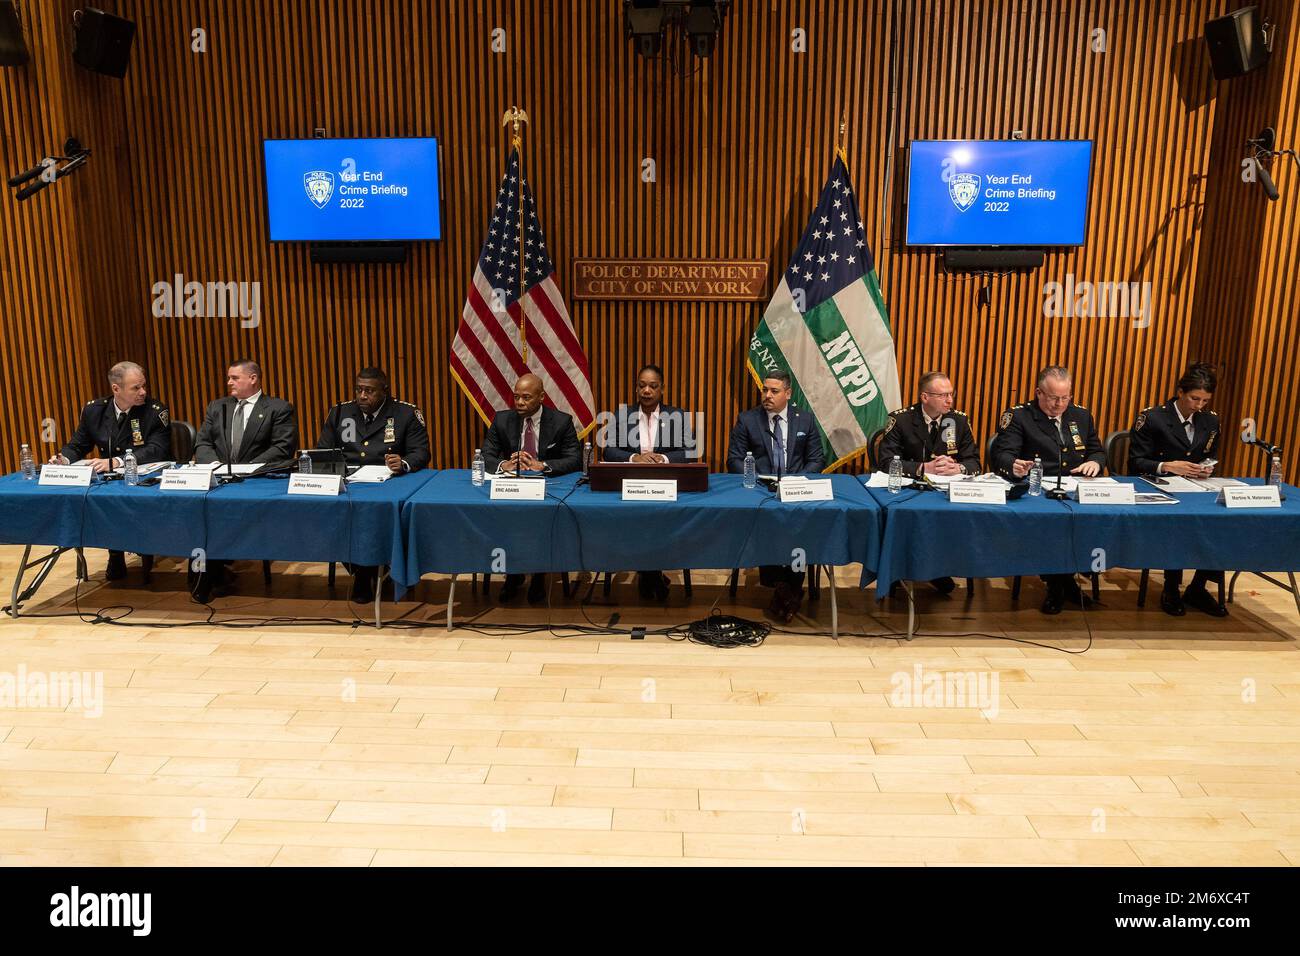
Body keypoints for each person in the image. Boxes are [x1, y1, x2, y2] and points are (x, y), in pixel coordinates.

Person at [990, 365, 1105, 615]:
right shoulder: (1019, 416)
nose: (1059, 404)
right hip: (1036, 491)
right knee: (1052, 523)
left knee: (1100, 519)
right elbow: (1001, 455)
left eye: (1065, 398)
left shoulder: (1081, 416)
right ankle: (1058, 585)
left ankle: (1067, 579)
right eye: (1054, 398)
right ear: (1039, 393)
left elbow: (1097, 449)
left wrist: (1095, 462)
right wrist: (1014, 465)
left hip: (1074, 489)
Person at [318, 366, 430, 604]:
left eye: (369, 391)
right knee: (332, 513)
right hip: (349, 482)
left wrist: (404, 463)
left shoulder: (405, 413)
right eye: (358, 389)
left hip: (389, 482)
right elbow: (323, 451)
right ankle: (361, 570)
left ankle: (365, 573)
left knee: (373, 513)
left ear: (384, 392)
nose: (362, 396)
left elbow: (421, 452)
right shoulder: (340, 412)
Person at [50, 361, 170, 581]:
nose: (143, 392)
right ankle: (115, 551)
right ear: (116, 389)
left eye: (144, 386)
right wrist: (63, 459)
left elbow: (156, 450)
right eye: (136, 388)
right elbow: (78, 444)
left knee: (128, 500)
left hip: (144, 478)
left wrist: (116, 461)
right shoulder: (94, 410)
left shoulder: (154, 410)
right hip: (109, 479)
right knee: (100, 500)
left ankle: (140, 548)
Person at [190, 360, 298, 603]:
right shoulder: (218, 407)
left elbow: (282, 448)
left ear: (253, 379)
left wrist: (245, 470)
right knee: (199, 511)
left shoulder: (278, 408)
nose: (229, 382)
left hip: (256, 482)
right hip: (219, 480)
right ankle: (206, 574)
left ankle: (214, 574)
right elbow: (203, 442)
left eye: (234, 378)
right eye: (228, 377)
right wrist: (215, 466)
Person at [726, 369, 825, 623]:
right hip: (762, 492)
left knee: (801, 527)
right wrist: (760, 480)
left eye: (774, 391)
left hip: (797, 492)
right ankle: (785, 587)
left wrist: (797, 481)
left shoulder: (805, 420)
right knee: (767, 519)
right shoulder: (747, 420)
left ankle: (788, 585)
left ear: (788, 394)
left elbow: (816, 459)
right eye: (764, 390)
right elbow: (734, 460)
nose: (767, 395)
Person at [1128, 362, 1226, 617]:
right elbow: (1135, 462)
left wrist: (1207, 468)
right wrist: (1166, 465)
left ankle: (1198, 586)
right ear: (1181, 392)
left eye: (1205, 401)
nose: (1199, 406)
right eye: (1194, 398)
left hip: (1196, 488)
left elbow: (1210, 455)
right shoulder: (1153, 417)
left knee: (1222, 520)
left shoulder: (1210, 420)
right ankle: (1171, 587)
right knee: (1180, 522)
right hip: (1158, 487)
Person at [481, 373, 582, 604]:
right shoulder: (502, 420)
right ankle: (513, 574)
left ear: (541, 397)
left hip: (547, 489)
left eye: (526, 397)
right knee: (505, 519)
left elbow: (575, 459)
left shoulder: (561, 421)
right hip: (511, 488)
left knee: (540, 519)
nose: (519, 402)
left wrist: (542, 465)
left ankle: (539, 575)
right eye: (516, 397)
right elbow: (485, 454)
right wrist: (503, 464)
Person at [878, 370, 981, 594]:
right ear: (925, 397)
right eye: (943, 395)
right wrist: (923, 468)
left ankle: (936, 568)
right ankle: (901, 569)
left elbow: (974, 462)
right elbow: (885, 462)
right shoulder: (901, 420)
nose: (950, 400)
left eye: (951, 394)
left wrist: (958, 468)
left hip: (945, 494)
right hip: (910, 491)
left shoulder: (959, 421)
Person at [601, 363, 693, 600]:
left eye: (653, 386)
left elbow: (689, 452)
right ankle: (651, 573)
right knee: (636, 519)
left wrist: (661, 458)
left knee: (659, 520)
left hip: (666, 486)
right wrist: (635, 458)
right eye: (642, 386)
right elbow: (609, 451)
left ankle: (649, 572)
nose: (647, 391)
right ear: (636, 389)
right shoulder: (623, 416)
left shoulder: (678, 415)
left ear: (662, 389)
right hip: (631, 484)